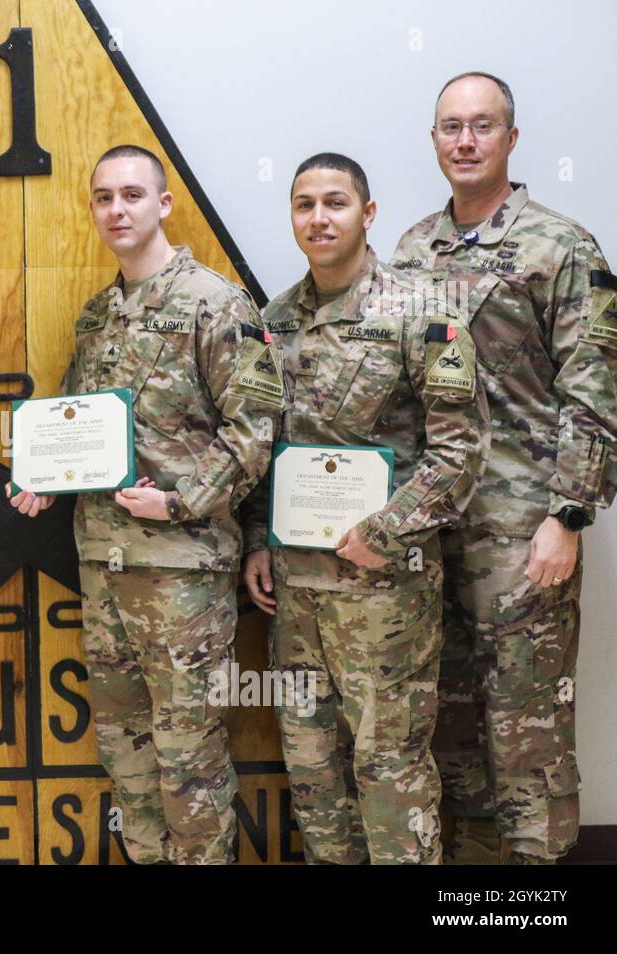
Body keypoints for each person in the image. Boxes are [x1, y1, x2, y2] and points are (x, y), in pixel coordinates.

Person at [10, 144, 281, 864]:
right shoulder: (98, 315)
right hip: (103, 566)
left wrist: (183, 499)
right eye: (103, 197)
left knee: (188, 756)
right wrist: (41, 474)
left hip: (182, 571)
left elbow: (255, 429)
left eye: (132, 194)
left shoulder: (216, 304)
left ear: (163, 204)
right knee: (126, 755)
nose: (116, 209)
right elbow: (78, 425)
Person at [392, 71, 617, 864]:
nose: (465, 140)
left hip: (523, 537)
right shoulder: (412, 250)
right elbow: (396, 394)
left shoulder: (562, 247)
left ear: (511, 139)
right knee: (448, 730)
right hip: (431, 534)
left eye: (482, 126)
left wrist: (569, 516)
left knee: (526, 733)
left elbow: (595, 392)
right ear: (434, 140)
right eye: (451, 126)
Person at [242, 154, 489, 864]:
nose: (319, 218)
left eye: (336, 203)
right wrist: (259, 539)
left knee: (390, 770)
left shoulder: (426, 314)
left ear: (368, 214)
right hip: (296, 596)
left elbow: (461, 452)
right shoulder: (272, 322)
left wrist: (385, 528)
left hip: (386, 593)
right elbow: (265, 445)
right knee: (315, 773)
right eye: (304, 205)